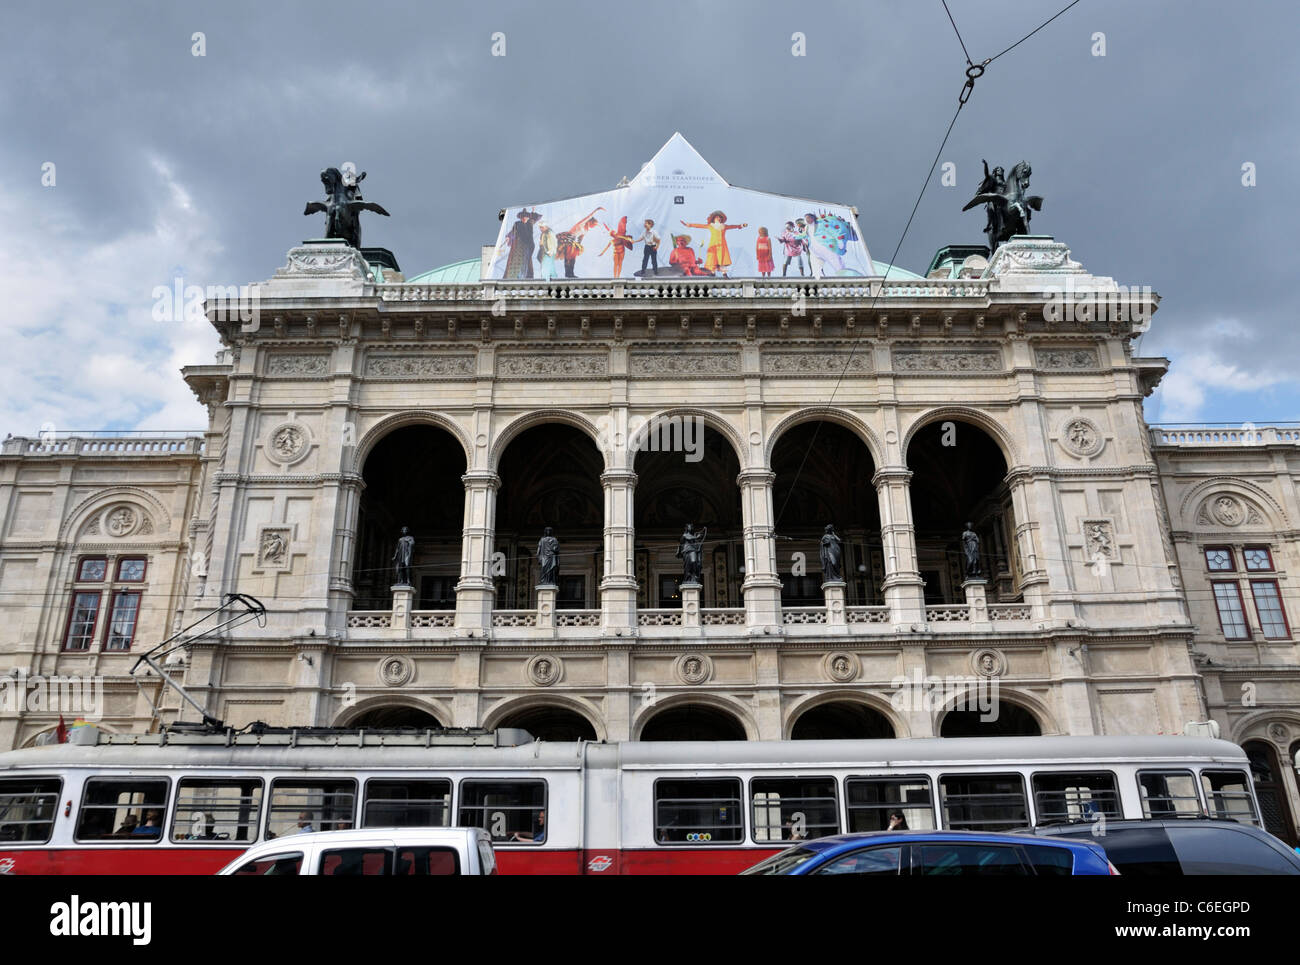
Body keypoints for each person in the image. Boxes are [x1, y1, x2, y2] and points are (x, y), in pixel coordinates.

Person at [680, 211, 747, 277]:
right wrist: (689, 225)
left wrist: (741, 225)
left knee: (722, 258)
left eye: (720, 217)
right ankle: (713, 272)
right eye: (717, 217)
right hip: (713, 245)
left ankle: (724, 273)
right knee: (713, 258)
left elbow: (732, 226)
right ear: (714, 219)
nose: (719, 218)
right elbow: (700, 226)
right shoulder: (711, 226)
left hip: (722, 245)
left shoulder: (724, 226)